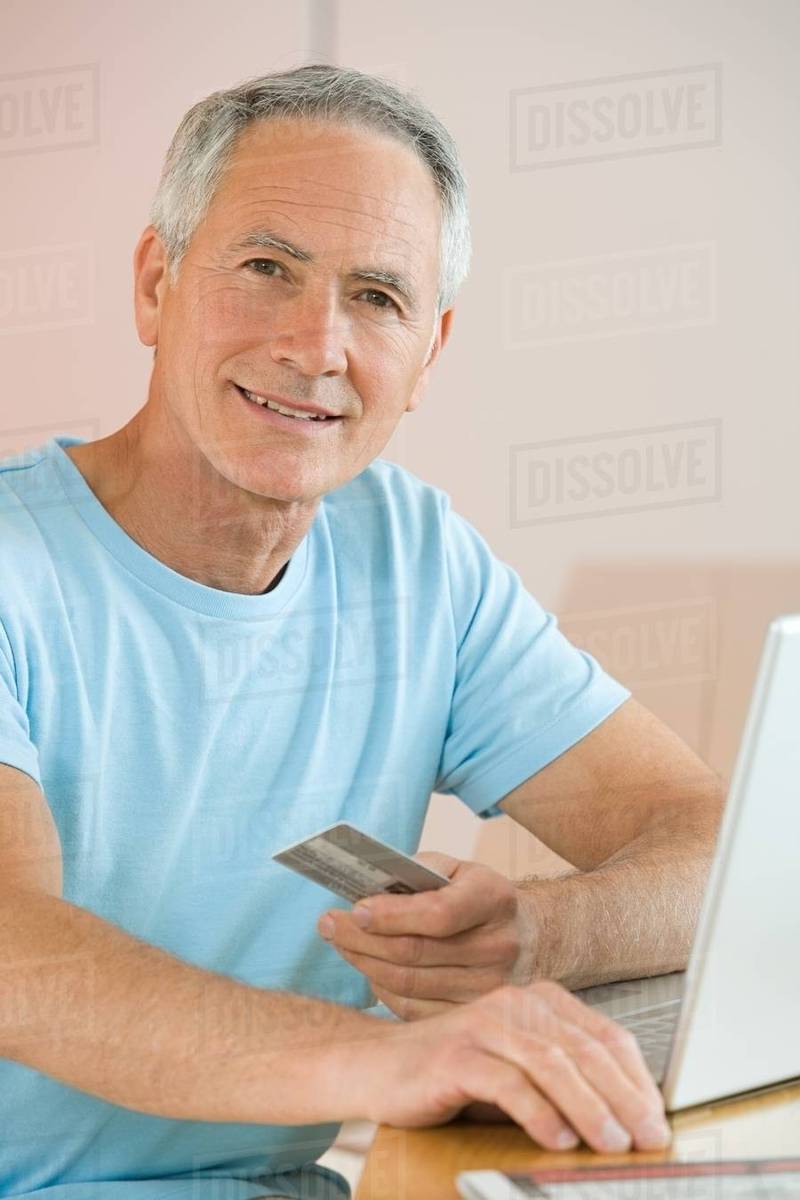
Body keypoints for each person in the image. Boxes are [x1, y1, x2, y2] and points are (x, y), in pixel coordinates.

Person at [0, 63, 724, 1200]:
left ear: (426, 353)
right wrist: (399, 1059)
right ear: (156, 284)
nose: (317, 344)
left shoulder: (413, 557)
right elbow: (16, 955)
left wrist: (541, 933)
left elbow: (707, 845)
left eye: (376, 297)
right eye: (266, 269)